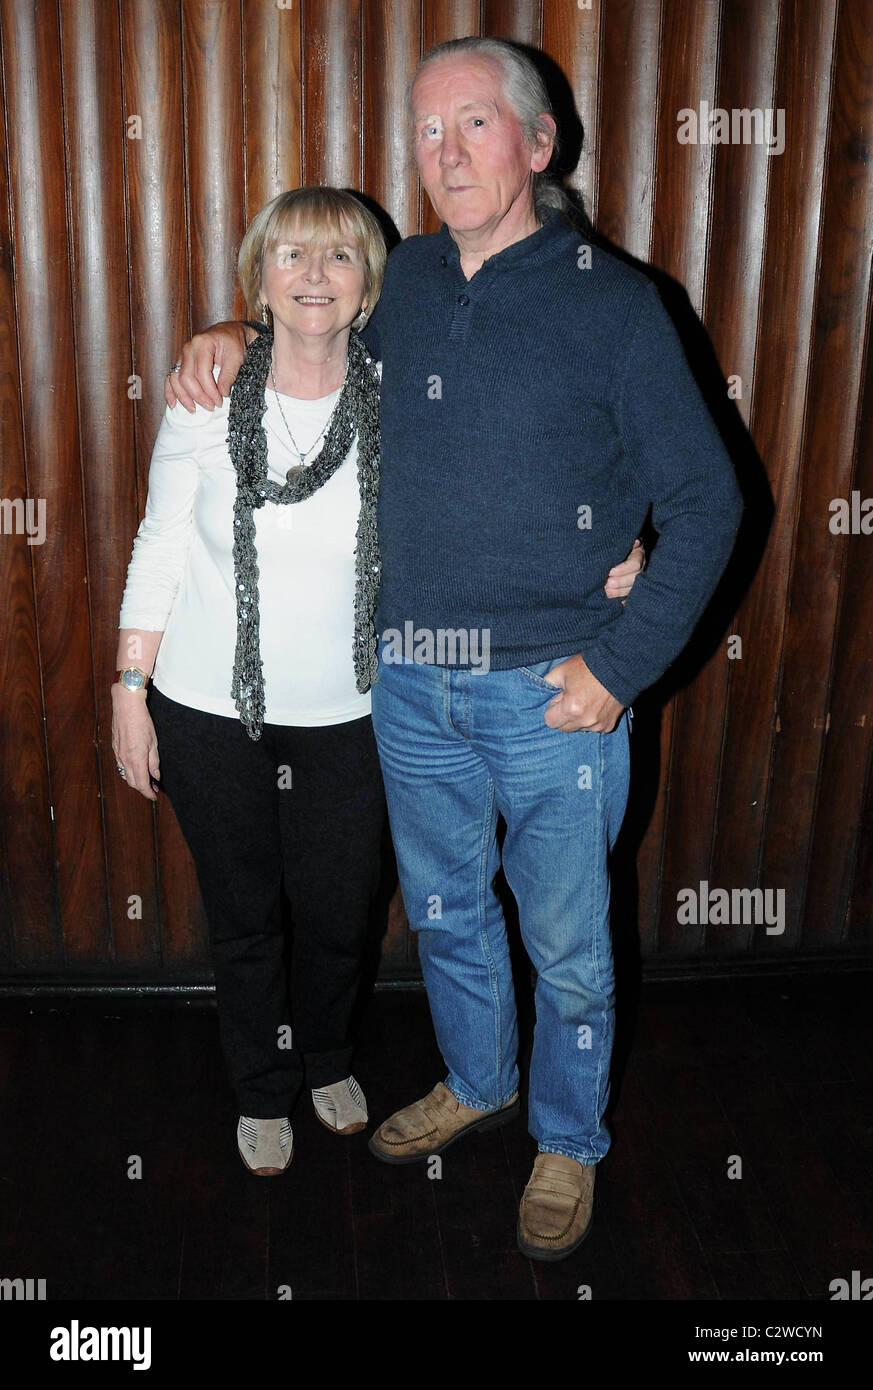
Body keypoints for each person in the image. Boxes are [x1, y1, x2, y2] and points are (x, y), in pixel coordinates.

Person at [165, 37, 735, 1260]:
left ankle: (570, 1139)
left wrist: (618, 667)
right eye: (427, 131)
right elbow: (306, 325)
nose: (446, 152)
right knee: (447, 917)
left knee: (570, 946)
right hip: (408, 683)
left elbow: (711, 504)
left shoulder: (617, 304)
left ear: (539, 145)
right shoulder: (404, 281)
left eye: (475, 125)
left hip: (555, 691)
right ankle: (481, 1080)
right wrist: (225, 330)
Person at [113, 186, 389, 1176]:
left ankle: (324, 1060)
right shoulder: (207, 391)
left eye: (340, 257)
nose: (314, 274)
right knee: (243, 914)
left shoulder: (401, 396)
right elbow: (159, 545)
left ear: (368, 286)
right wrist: (127, 689)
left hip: (354, 714)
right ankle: (262, 1088)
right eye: (292, 255)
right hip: (207, 708)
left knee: (340, 909)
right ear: (260, 278)